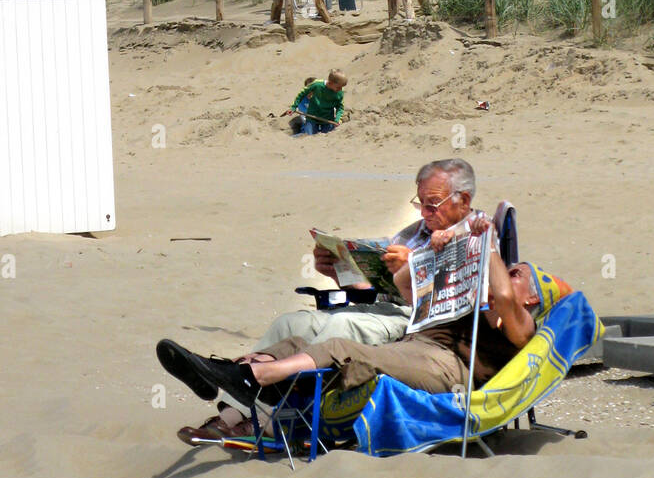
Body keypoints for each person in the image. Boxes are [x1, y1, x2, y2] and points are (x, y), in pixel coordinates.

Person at [164, 157, 485, 443]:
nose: (426, 213)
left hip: (416, 323)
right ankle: (229, 405)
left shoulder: (475, 239)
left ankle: (257, 417)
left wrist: (413, 269)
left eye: (433, 204)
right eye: (421, 204)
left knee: (343, 325)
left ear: (463, 200)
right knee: (290, 322)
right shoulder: (411, 233)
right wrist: (339, 271)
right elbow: (375, 290)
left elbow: (456, 306)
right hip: (381, 309)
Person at [158, 255, 571, 409]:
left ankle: (255, 379)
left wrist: (489, 246)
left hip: (448, 369)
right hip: (418, 345)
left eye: (518, 274)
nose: (507, 274)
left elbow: (503, 292)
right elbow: (411, 292)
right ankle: (223, 371)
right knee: (297, 342)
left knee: (343, 346)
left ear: (531, 298)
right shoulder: (472, 300)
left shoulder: (522, 325)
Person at [288, 69, 346, 135]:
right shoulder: (317, 85)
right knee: (307, 135)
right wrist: (293, 107)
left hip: (327, 119)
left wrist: (338, 119)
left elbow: (340, 107)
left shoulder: (339, 93)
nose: (340, 89)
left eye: (341, 87)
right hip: (312, 118)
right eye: (338, 87)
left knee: (328, 135)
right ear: (330, 83)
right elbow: (301, 94)